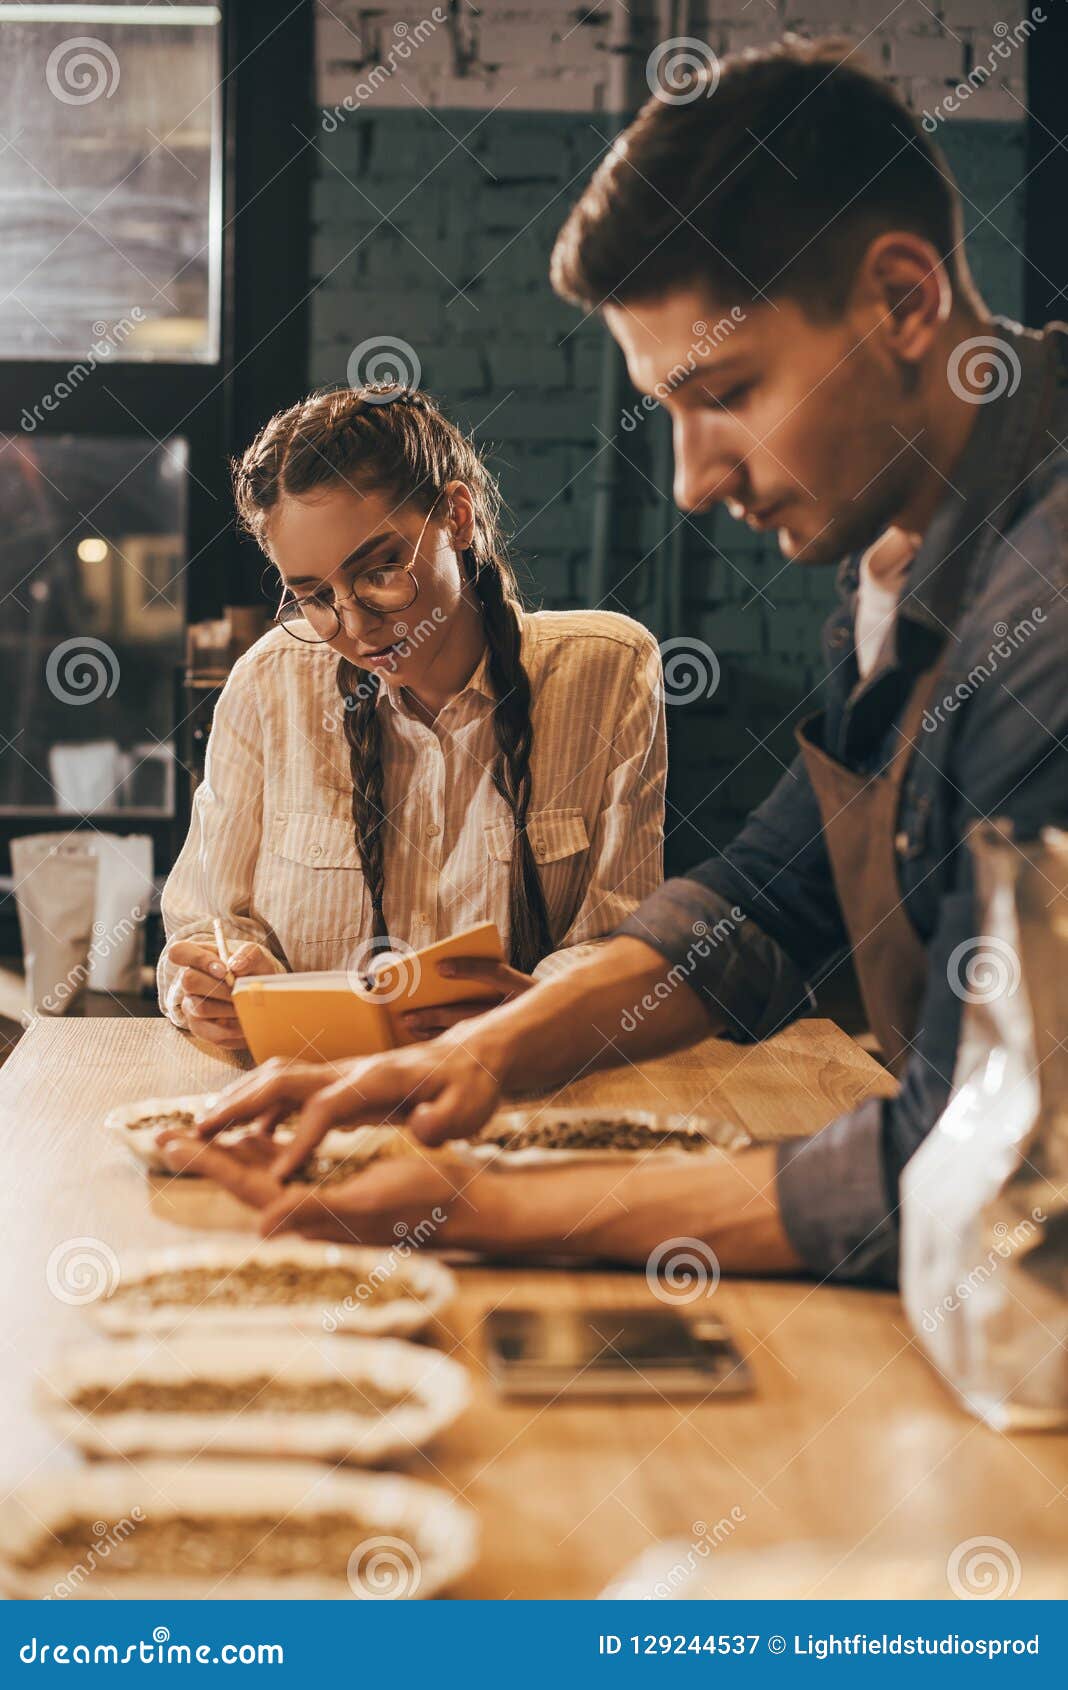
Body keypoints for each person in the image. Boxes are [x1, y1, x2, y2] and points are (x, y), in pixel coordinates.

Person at [161, 38, 1068, 1287]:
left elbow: (973, 1164)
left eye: (728, 391)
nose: (693, 479)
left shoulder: (1047, 615)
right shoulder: (902, 551)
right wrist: (477, 1057)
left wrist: (477, 1202)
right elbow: (765, 898)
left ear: (903, 300)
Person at [157, 387, 666, 1049]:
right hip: (311, 1103)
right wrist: (207, 984)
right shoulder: (268, 682)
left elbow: (620, 943)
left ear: (457, 516)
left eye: (380, 568)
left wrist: (537, 1008)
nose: (356, 624)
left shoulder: (610, 668)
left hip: (525, 1097)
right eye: (314, 595)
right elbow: (205, 926)